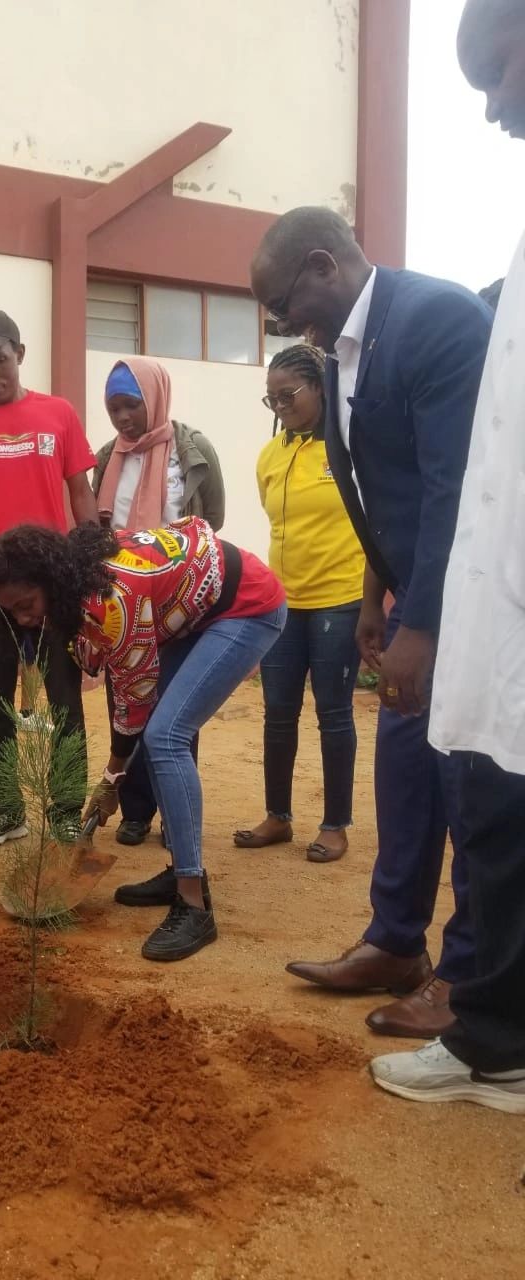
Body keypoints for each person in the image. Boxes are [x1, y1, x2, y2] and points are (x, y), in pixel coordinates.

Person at [250, 207, 493, 1038]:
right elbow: (379, 494)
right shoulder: (344, 351)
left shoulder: (436, 319)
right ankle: (395, 943)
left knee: (469, 789)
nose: (284, 324)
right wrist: (373, 599)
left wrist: (420, 625)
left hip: (470, 607)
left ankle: (468, 977)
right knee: (404, 773)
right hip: (409, 597)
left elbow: (453, 489)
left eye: (283, 304)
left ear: (324, 264)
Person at [370, 0, 525, 1113]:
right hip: (490, 596)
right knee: (493, 803)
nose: (493, 107)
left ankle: (492, 1040)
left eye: (499, 71)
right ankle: (495, 1034)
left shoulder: (429, 326)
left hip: (497, 604)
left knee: (494, 809)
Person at [0, 517, 286, 960]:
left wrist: (111, 778)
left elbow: (134, 699)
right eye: (13, 611)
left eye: (26, 604)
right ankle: (181, 868)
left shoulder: (112, 598)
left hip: (246, 606)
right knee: (159, 731)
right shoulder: (79, 582)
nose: (24, 618)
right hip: (194, 611)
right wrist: (115, 777)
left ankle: (194, 904)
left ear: (50, 579)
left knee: (165, 736)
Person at [0, 309, 98, 848]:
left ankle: (66, 810)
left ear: (20, 354)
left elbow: (80, 492)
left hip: (53, 588)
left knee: (65, 700)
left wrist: (91, 563)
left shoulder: (59, 413)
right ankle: (8, 810)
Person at [233, 343, 364, 863]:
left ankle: (335, 824)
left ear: (320, 388)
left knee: (334, 714)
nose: (281, 405)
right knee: (278, 712)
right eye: (272, 399)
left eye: (288, 394)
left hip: (340, 599)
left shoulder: (348, 449)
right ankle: (278, 816)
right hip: (282, 604)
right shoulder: (272, 455)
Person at [92, 355, 225, 850]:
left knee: (175, 707)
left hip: (180, 600)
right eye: (114, 408)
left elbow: (213, 518)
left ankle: (174, 813)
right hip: (123, 603)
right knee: (126, 702)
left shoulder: (192, 450)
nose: (123, 417)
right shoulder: (107, 457)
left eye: (132, 405)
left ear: (155, 397)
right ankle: (135, 810)